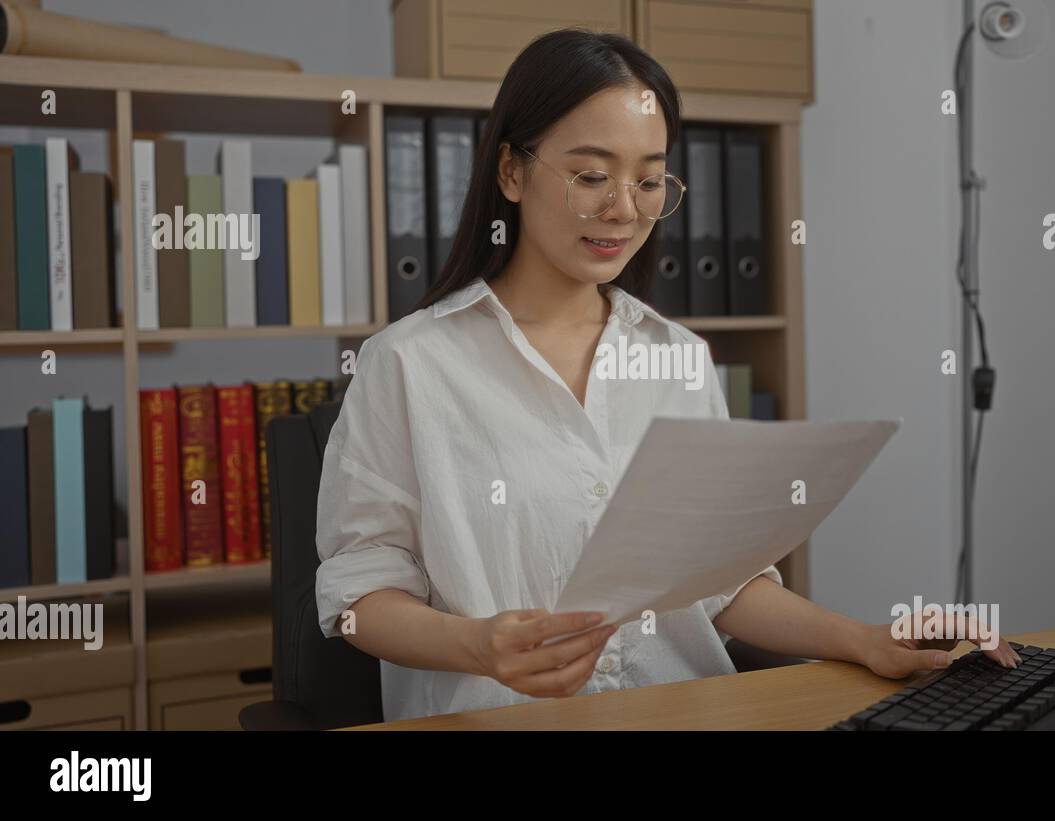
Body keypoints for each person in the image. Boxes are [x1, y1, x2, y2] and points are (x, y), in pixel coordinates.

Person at [315, 28, 1018, 722]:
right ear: (511, 172)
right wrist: (476, 645)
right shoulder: (408, 364)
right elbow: (356, 595)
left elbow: (717, 585)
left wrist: (865, 640)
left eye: (649, 179)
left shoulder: (679, 355)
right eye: (592, 176)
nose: (624, 208)